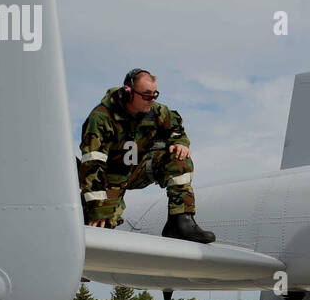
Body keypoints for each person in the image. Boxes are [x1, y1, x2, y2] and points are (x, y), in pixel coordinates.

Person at [78, 68, 216, 243]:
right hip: (109, 178)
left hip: (141, 169)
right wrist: (97, 208)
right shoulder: (101, 117)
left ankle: (180, 222)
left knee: (179, 158)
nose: (152, 100)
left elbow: (176, 129)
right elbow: (92, 163)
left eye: (154, 94)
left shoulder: (157, 111)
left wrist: (180, 142)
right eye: (146, 95)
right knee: (99, 230)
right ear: (128, 93)